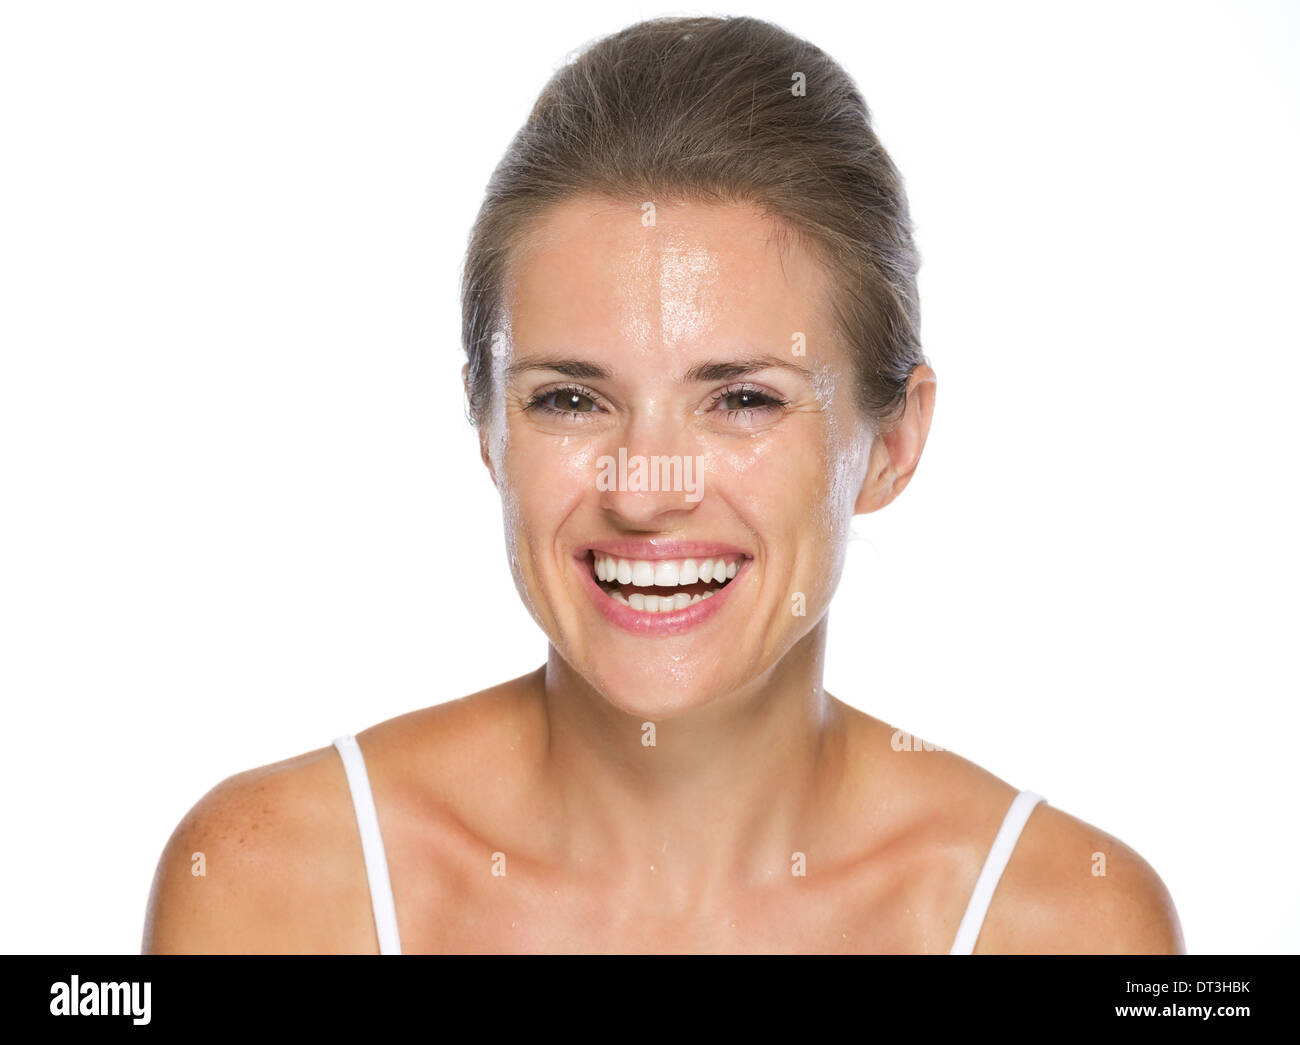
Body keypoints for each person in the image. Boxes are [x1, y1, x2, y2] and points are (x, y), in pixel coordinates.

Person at [143, 14, 1183, 954]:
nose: (645, 487)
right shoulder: (273, 883)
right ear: (487, 429)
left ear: (891, 443)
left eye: (741, 399)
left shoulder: (1065, 923)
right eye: (568, 400)